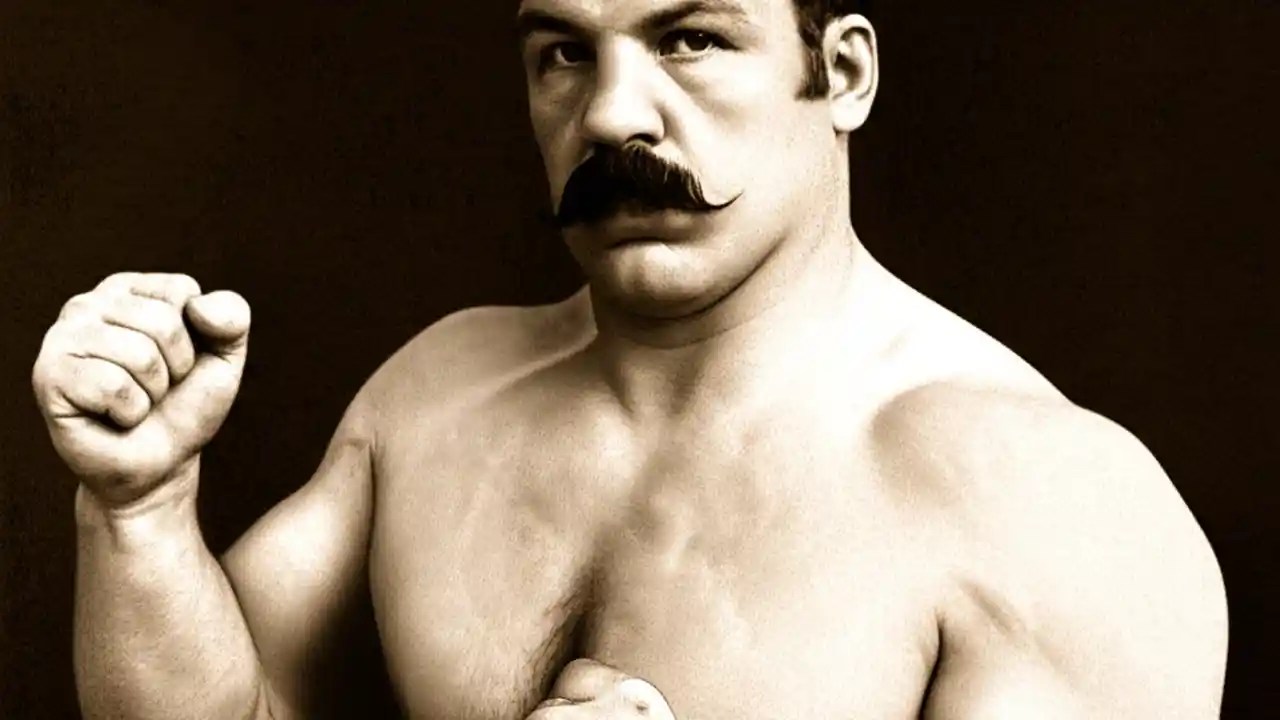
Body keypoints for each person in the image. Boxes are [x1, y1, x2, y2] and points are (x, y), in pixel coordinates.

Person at [31, 0, 1228, 718]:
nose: (610, 117)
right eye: (561, 54)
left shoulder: (1043, 500)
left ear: (841, 72)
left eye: (691, 40)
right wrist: (138, 506)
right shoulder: (441, 393)